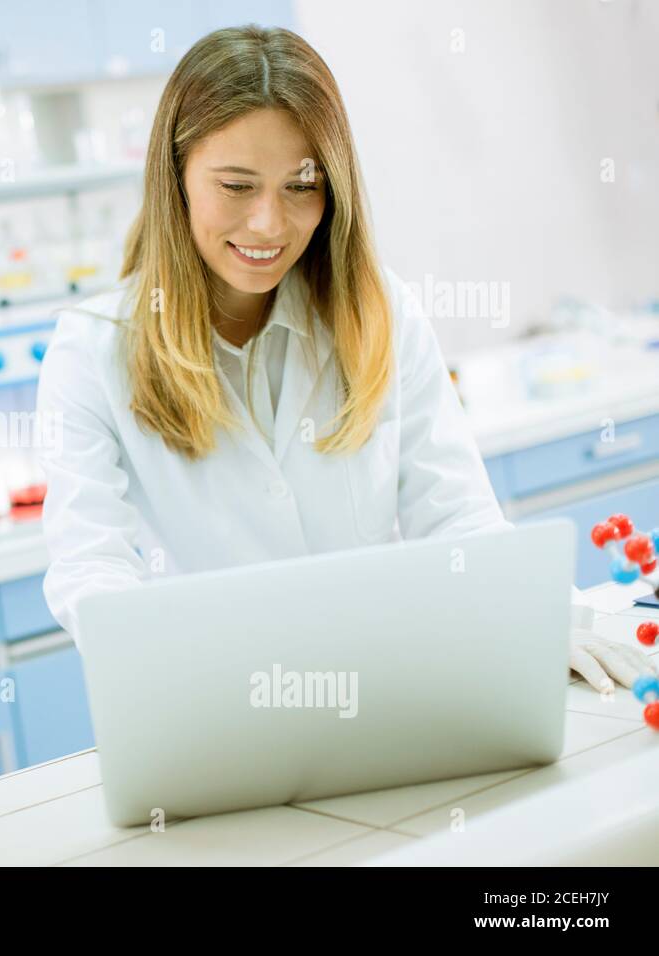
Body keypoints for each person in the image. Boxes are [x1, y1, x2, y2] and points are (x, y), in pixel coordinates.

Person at [35, 25, 654, 694]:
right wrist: (159, 679)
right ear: (175, 179)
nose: (270, 224)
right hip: (220, 701)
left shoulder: (380, 309)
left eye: (302, 186)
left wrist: (538, 618)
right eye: (237, 186)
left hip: (389, 688)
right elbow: (90, 566)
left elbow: (455, 516)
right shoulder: (93, 349)